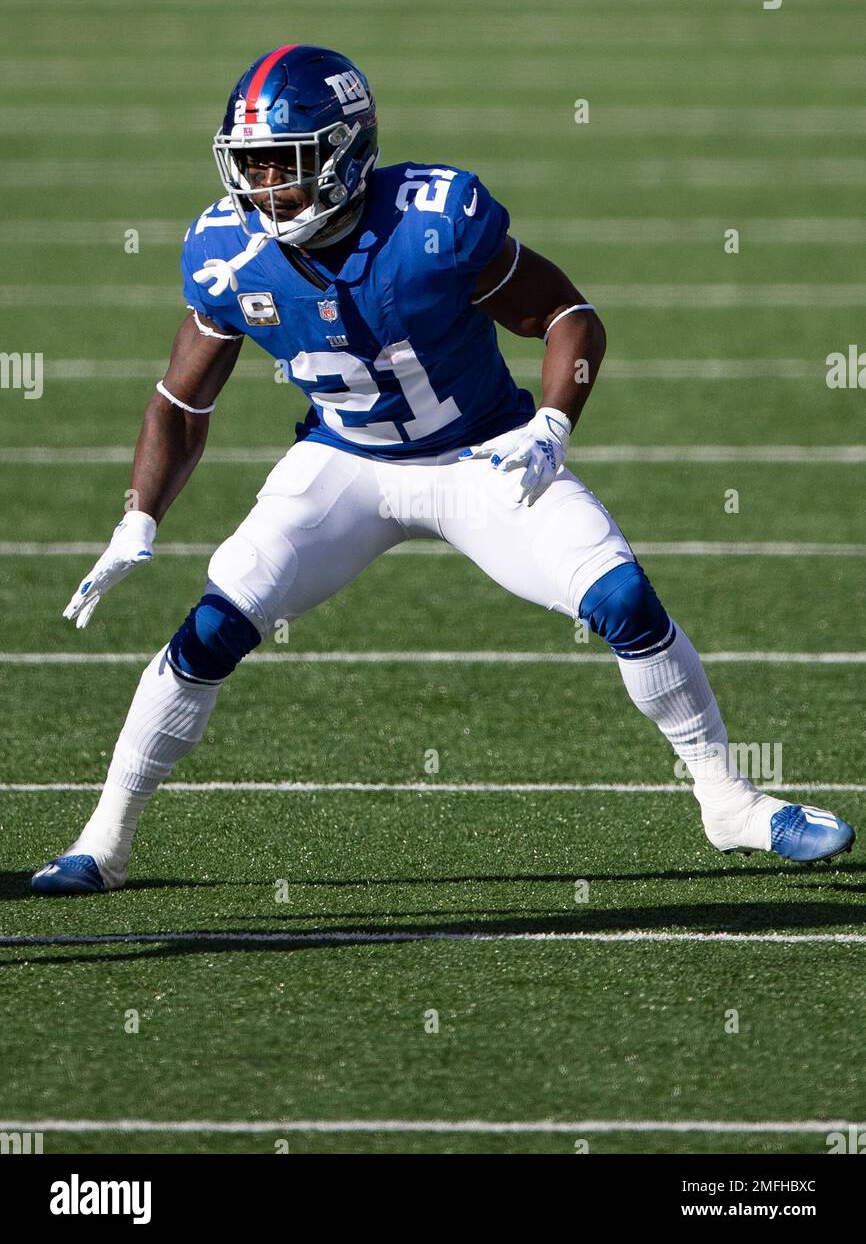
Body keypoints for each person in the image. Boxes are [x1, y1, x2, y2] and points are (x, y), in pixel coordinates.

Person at [33, 45, 854, 894]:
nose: (263, 185)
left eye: (286, 162)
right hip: (344, 464)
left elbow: (570, 316)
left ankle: (729, 801)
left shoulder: (437, 219)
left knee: (622, 598)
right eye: (250, 164)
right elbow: (181, 400)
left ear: (347, 155)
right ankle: (104, 841)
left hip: (483, 456)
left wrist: (551, 426)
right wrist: (141, 517)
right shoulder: (225, 250)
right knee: (210, 629)